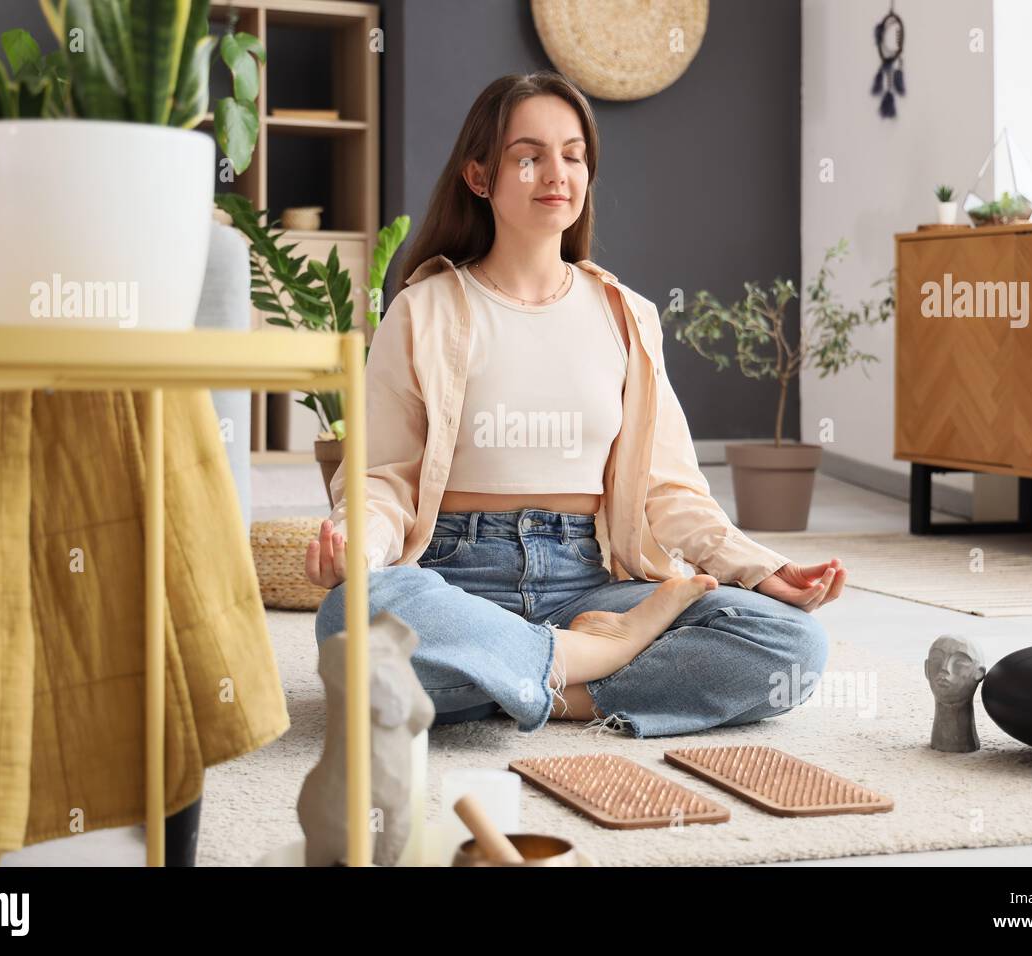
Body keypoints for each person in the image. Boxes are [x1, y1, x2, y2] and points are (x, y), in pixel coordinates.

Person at [310, 71, 845, 739]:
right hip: (454, 575)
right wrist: (357, 549)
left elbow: (671, 489)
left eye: (573, 154)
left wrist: (760, 568)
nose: (555, 173)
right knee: (350, 617)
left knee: (790, 645)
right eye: (528, 155)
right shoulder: (425, 309)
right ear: (480, 177)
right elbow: (384, 476)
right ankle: (596, 662)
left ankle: (529, 688)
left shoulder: (627, 317)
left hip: (584, 586)